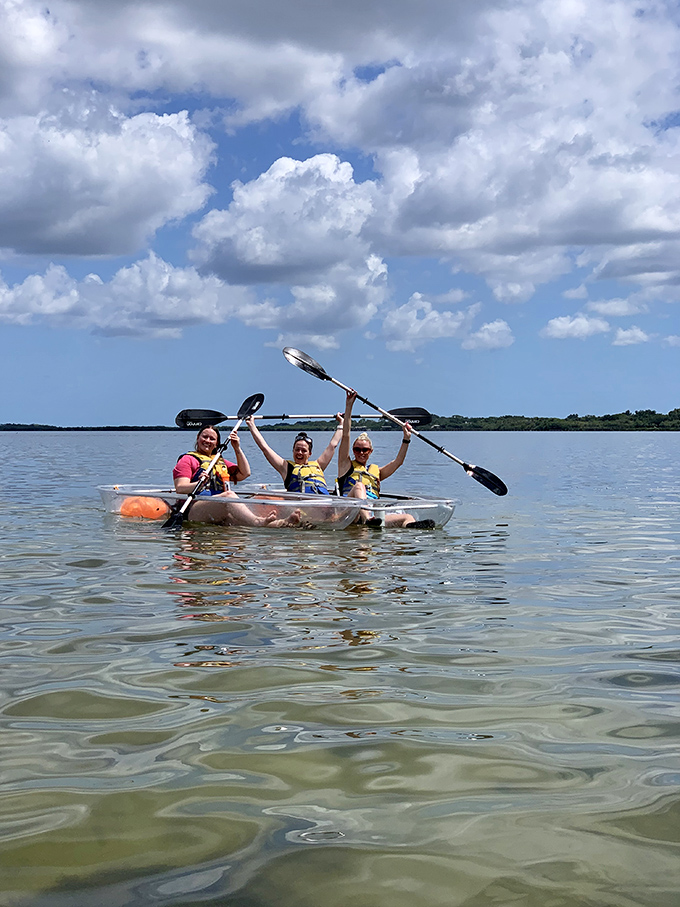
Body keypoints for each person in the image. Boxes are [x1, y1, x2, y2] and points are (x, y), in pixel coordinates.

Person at [337, 390, 435, 529]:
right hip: (351, 513)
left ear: (370, 452)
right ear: (353, 451)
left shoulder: (376, 472)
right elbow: (346, 436)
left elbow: (398, 462)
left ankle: (412, 536)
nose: (361, 453)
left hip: (375, 515)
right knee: (359, 486)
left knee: (407, 517)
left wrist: (406, 438)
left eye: (365, 450)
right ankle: (367, 519)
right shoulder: (345, 466)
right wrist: (349, 405)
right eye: (357, 449)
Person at [173, 425, 300, 527]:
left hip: (218, 507)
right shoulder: (188, 459)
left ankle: (281, 523)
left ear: (217, 443)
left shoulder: (218, 461)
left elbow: (245, 473)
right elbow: (180, 488)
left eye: (212, 439)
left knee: (240, 526)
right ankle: (258, 521)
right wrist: (199, 484)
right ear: (198, 437)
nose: (207, 441)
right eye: (204, 437)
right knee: (229, 497)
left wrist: (237, 448)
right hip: (194, 510)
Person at [246, 414, 344, 493]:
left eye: (304, 450)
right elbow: (265, 448)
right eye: (297, 449)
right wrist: (251, 425)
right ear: (293, 450)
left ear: (309, 453)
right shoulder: (286, 467)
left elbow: (333, 445)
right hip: (300, 509)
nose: (299, 453)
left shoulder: (318, 465)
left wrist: (341, 423)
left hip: (322, 506)